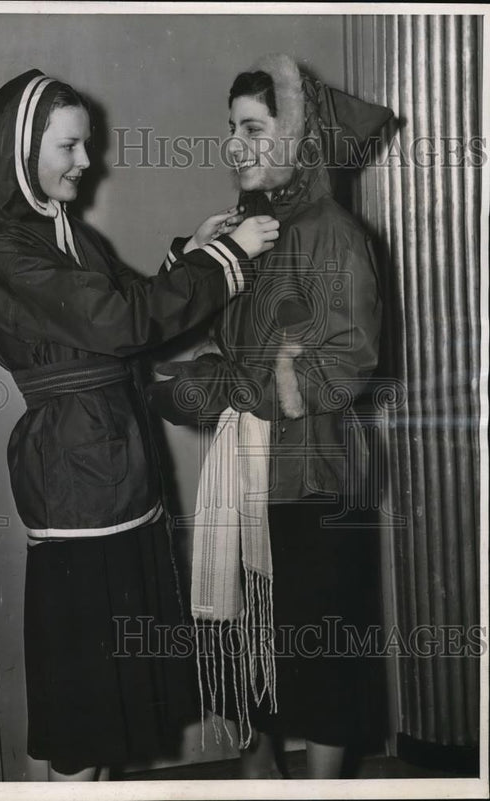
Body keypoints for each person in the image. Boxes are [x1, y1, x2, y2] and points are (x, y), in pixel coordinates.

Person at [0, 69, 280, 779]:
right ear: (23, 151)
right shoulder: (2, 245)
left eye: (87, 146)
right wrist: (225, 259)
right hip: (81, 488)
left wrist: (188, 252)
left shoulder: (57, 231)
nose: (86, 162)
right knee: (84, 723)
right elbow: (118, 322)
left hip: (112, 475)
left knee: (108, 719)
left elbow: (121, 312)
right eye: (70, 147)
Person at [149, 53, 392, 779]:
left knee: (317, 651)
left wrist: (233, 384)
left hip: (312, 475)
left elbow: (346, 362)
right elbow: (200, 345)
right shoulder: (251, 231)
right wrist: (194, 262)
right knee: (248, 634)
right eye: (231, 128)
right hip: (250, 470)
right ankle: (260, 771)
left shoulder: (336, 235)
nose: (234, 144)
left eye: (254, 127)